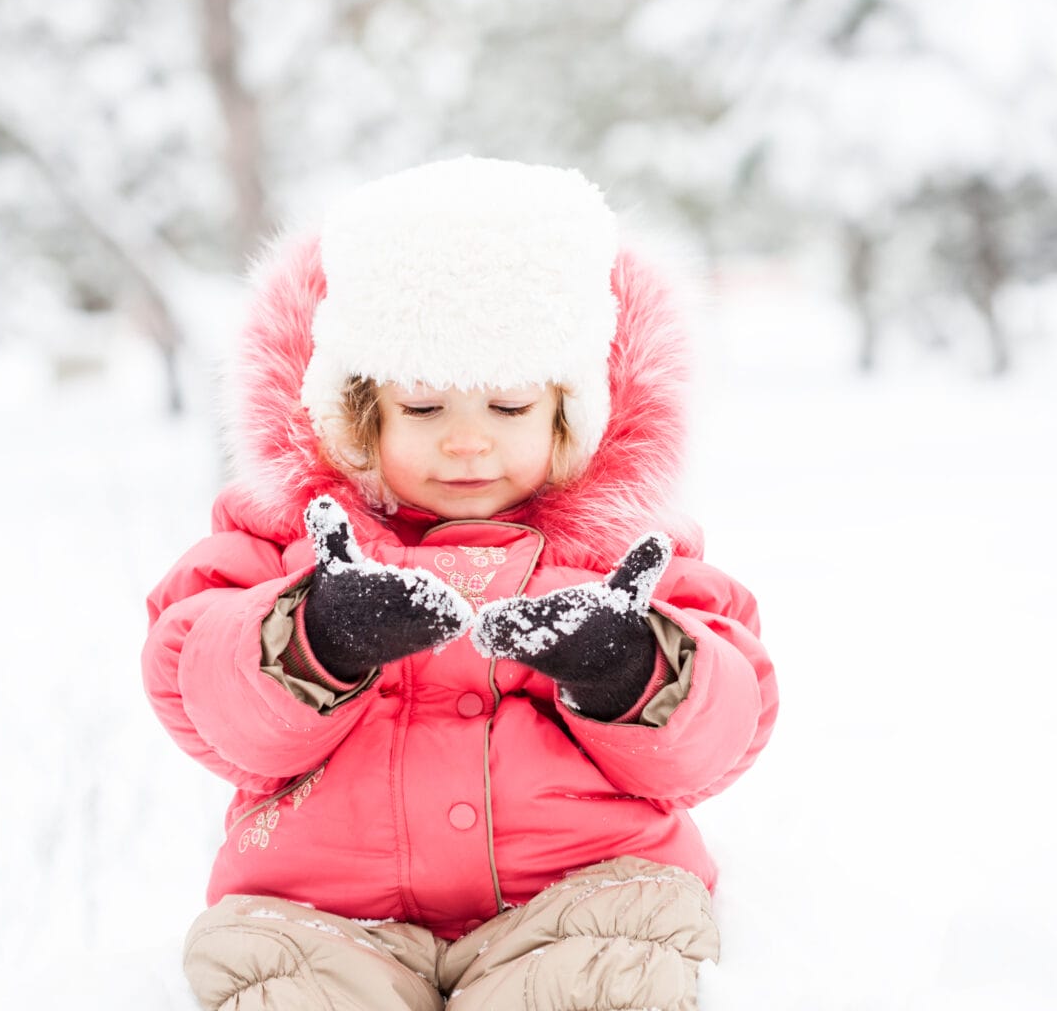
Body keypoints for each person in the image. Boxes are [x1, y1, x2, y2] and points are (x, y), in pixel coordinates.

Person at [142, 155, 778, 1011]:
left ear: (569, 414)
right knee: (272, 974)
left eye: (508, 409)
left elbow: (718, 731)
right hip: (325, 915)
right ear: (360, 411)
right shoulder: (285, 542)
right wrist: (315, 639)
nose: (467, 443)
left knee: (620, 959)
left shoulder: (625, 555)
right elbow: (203, 687)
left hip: (573, 901)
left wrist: (630, 669)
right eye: (426, 409)